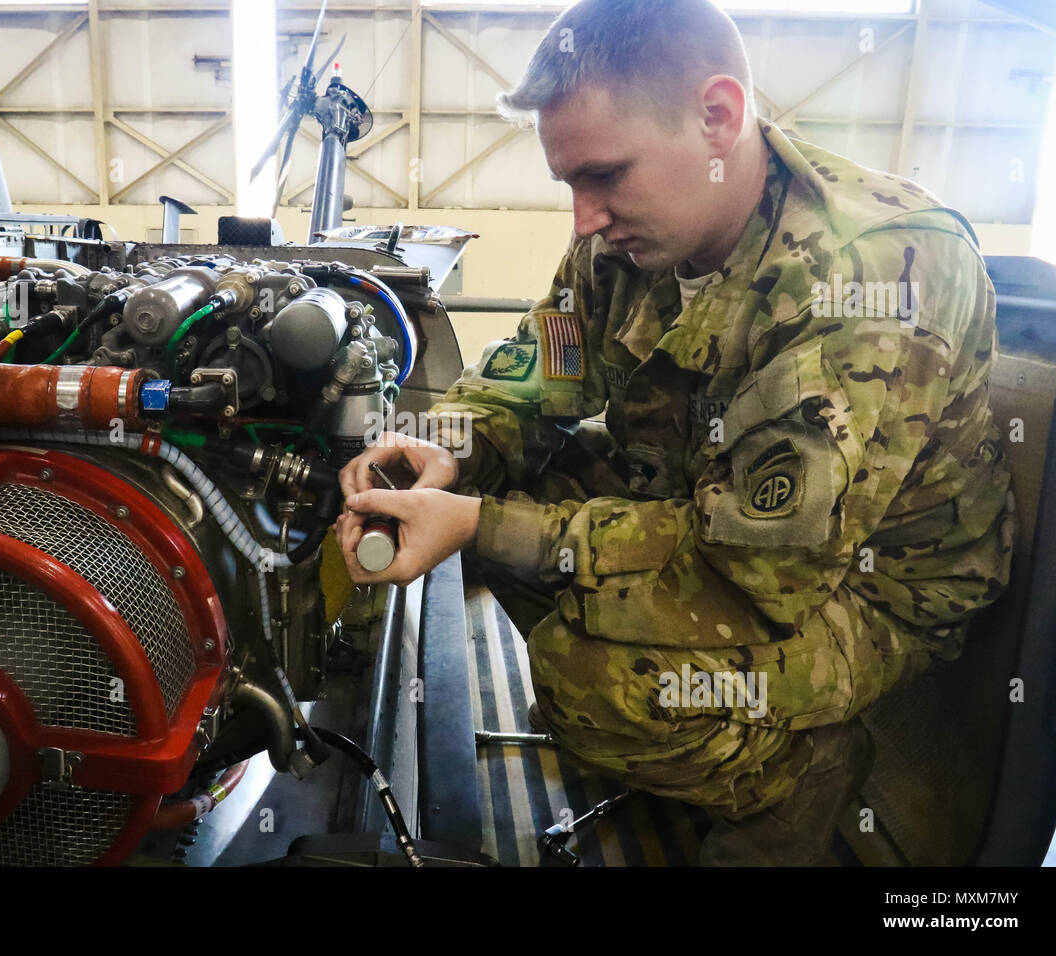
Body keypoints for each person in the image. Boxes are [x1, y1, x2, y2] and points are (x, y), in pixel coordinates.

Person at [333, 0, 1014, 865]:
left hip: (869, 588)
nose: (584, 217)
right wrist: (451, 447)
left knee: (595, 685)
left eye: (606, 176)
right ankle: (679, 727)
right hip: (707, 506)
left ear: (718, 118)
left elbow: (756, 570)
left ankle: (798, 771)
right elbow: (545, 368)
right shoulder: (621, 246)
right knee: (491, 498)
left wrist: (477, 527)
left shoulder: (869, 275)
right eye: (571, 184)